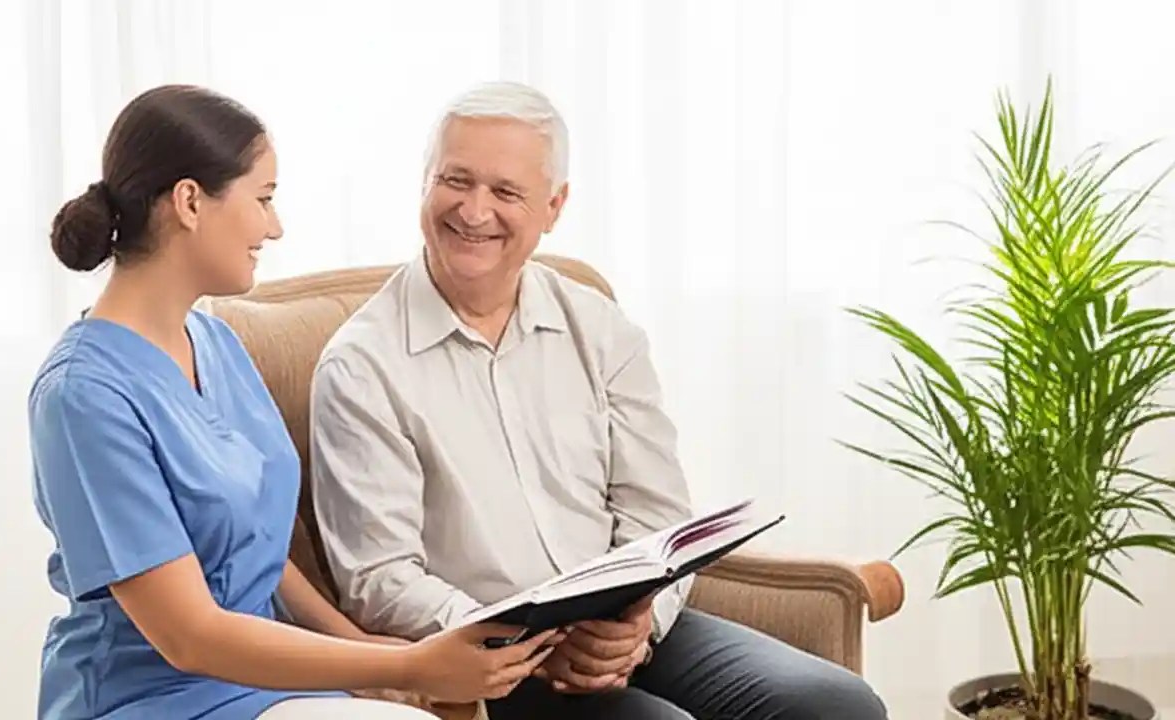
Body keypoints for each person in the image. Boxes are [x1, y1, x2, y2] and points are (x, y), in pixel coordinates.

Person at [308, 81, 889, 720]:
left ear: (554, 206)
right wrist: (524, 642)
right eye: (455, 180)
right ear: (424, 184)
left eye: (505, 192)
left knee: (837, 705)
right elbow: (379, 580)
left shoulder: (599, 328)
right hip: (490, 659)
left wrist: (639, 625)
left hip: (626, 628)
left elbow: (656, 513)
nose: (474, 211)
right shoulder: (361, 365)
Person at [28, 84, 558, 720]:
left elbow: (259, 550)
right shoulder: (85, 396)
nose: (274, 227)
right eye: (264, 199)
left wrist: (360, 648)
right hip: (155, 698)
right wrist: (408, 663)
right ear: (191, 202)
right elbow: (189, 636)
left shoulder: (216, 343)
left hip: (269, 683)